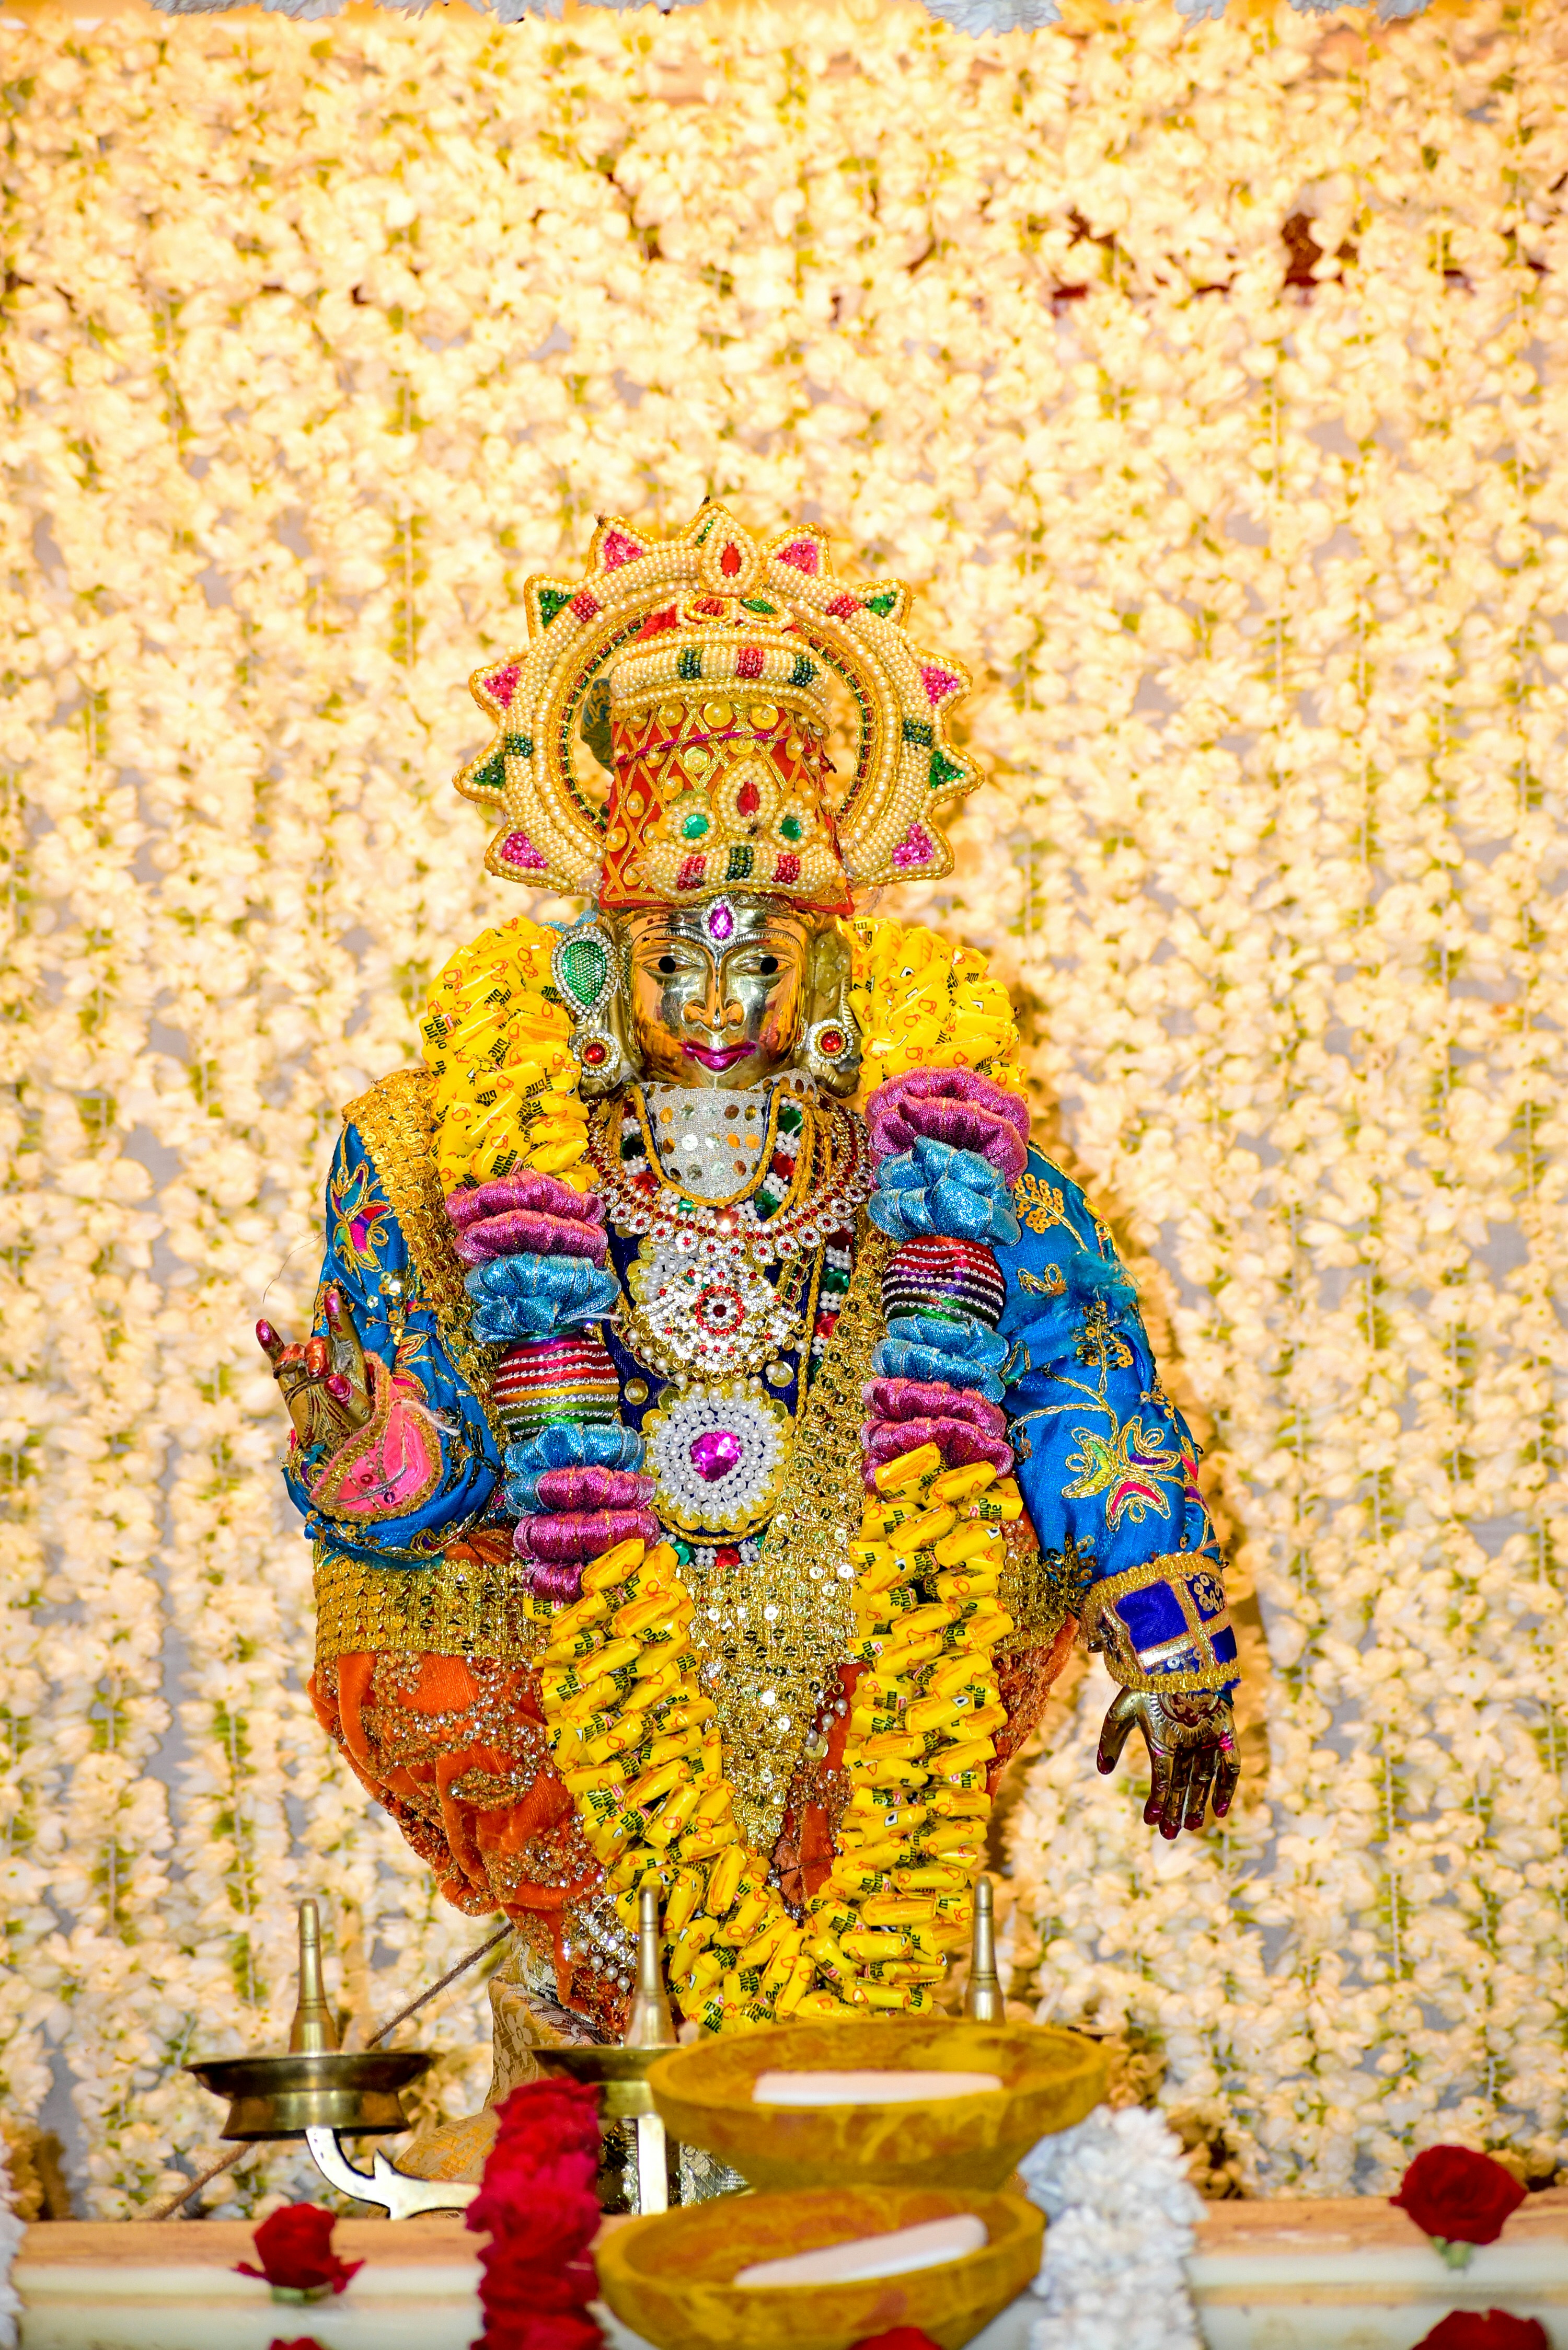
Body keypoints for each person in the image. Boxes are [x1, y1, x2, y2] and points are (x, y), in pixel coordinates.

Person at [260, 504, 1239, 2048]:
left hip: (874, 1709)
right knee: (593, 2143)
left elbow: (1077, 1382)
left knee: (863, 2108)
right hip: (577, 1728)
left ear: (830, 969)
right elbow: (426, 1480)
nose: (719, 997)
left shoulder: (943, 1149)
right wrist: (369, 1454)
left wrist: (1170, 1633)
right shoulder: (446, 1148)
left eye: (761, 957)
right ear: (600, 960)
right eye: (678, 958)